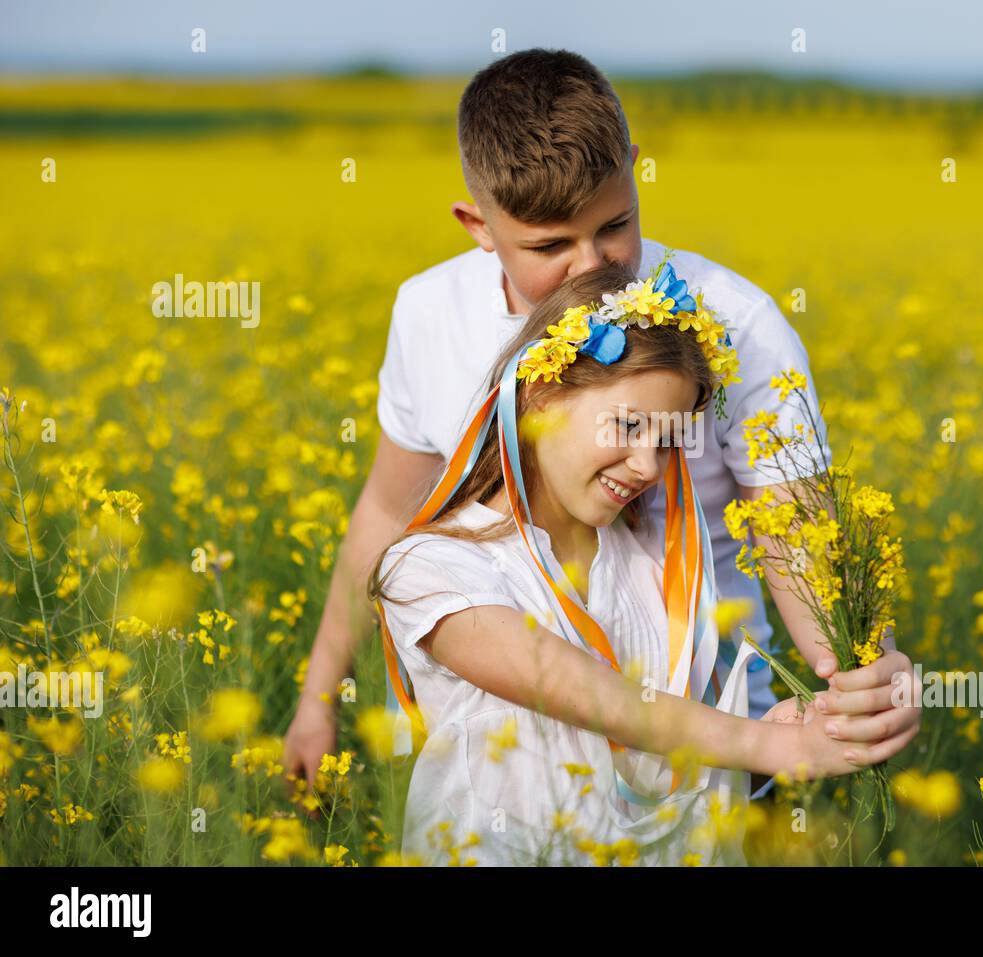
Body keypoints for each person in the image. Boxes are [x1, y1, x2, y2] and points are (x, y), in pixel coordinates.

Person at [284, 47, 920, 795]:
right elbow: (391, 507)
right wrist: (317, 698)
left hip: (719, 753)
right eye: (549, 245)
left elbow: (797, 538)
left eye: (615, 226)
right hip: (501, 772)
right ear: (477, 225)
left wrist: (860, 674)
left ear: (637, 172)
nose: (591, 266)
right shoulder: (429, 314)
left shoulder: (740, 323)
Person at [369, 259, 859, 865]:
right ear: (543, 396)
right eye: (627, 425)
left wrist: (789, 728)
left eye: (666, 441)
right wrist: (768, 746)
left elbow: (671, 728)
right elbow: (596, 698)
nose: (648, 467)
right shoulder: (429, 566)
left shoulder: (652, 564)